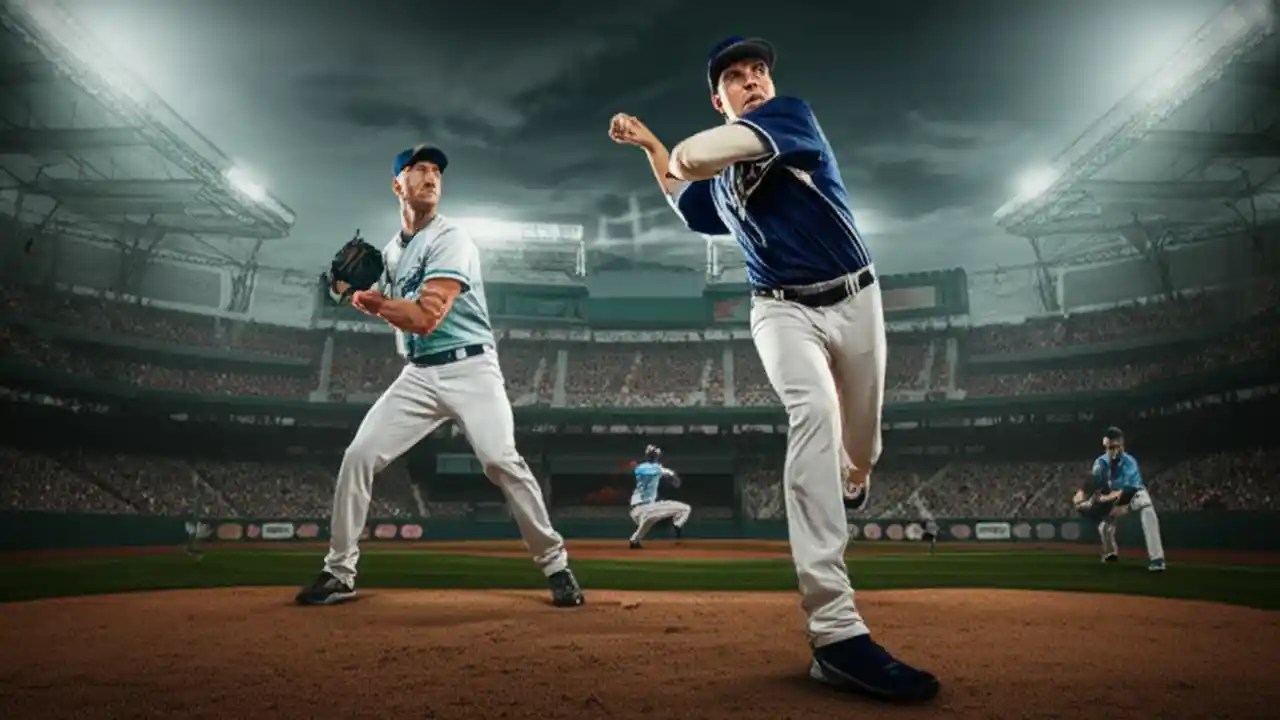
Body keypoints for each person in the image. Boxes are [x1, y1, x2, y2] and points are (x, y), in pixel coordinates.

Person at [608, 36, 938, 702]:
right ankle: (836, 633)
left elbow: (695, 157)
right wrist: (652, 149)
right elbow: (683, 195)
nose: (755, 79)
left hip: (854, 296)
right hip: (779, 309)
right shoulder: (723, 183)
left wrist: (675, 150)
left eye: (759, 70)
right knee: (812, 413)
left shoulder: (791, 118)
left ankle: (854, 478)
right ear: (717, 96)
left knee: (864, 444)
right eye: (737, 75)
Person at [295, 144, 586, 607]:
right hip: (418, 375)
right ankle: (339, 572)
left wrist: (373, 303)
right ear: (398, 185)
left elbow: (427, 316)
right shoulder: (391, 252)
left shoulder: (453, 239)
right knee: (359, 456)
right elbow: (362, 297)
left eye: (436, 171)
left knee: (499, 460)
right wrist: (340, 287)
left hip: (471, 368)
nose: (431, 177)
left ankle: (556, 566)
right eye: (419, 170)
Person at [1078, 426, 1166, 571]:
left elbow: (1129, 490)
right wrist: (1083, 498)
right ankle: (1110, 553)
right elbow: (1091, 484)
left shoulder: (1130, 462)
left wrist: (1119, 507)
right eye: (1106, 448)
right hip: (1112, 496)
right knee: (1105, 527)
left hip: (1134, 494)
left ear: (1121, 445)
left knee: (1148, 510)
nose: (1109, 451)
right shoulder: (1100, 463)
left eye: (1113, 447)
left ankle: (1157, 559)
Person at [628, 444, 692, 549]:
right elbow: (672, 476)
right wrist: (674, 479)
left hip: (646, 508)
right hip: (641, 508)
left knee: (684, 508)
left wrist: (672, 477)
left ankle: (635, 540)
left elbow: (671, 476)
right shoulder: (651, 468)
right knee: (649, 517)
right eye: (653, 455)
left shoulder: (643, 467)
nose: (654, 456)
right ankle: (676, 525)